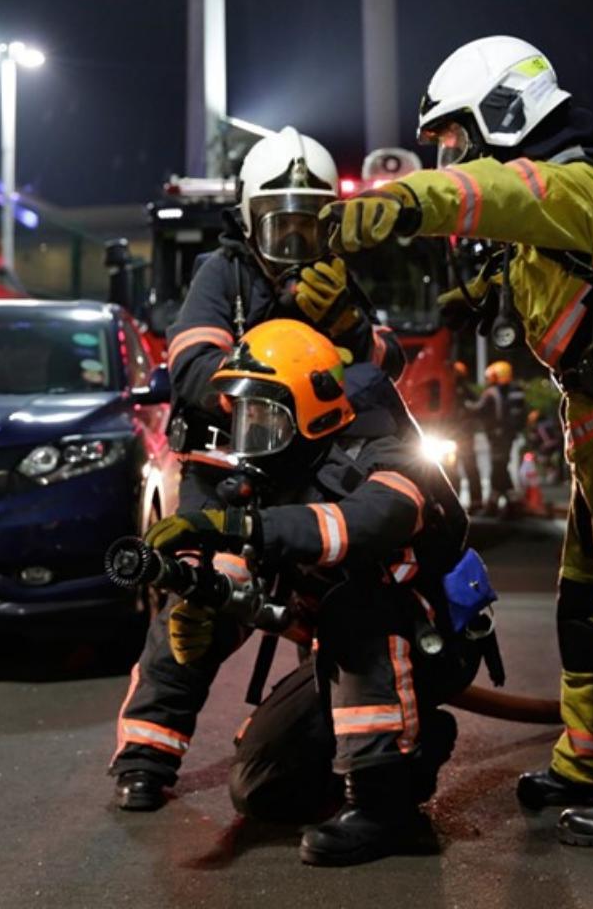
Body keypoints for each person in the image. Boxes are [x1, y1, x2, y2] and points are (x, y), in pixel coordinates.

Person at [321, 35, 593, 847]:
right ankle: (591, 758)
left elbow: (500, 192)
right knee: (587, 607)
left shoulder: (572, 183)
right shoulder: (559, 208)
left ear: (503, 112)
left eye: (455, 136)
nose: (452, 154)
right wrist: (481, 291)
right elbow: (539, 258)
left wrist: (403, 201)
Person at [111, 127, 405, 813]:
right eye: (281, 224)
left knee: (339, 600)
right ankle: (147, 756)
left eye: (310, 224)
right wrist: (273, 377)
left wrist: (349, 326)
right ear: (249, 219)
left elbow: (384, 366)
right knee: (198, 601)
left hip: (313, 472)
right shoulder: (223, 275)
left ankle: (324, 746)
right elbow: (192, 369)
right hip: (225, 469)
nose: (295, 241)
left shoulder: (336, 282)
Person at [135, 319, 470, 866]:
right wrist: (207, 602)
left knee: (354, 607)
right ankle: (414, 742)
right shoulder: (281, 471)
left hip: (428, 639)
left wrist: (246, 526)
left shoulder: (384, 450)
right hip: (345, 657)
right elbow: (253, 573)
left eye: (265, 415)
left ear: (312, 406)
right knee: (262, 788)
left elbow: (368, 522)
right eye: (244, 416)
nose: (251, 433)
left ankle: (385, 809)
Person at [464, 360, 524, 511]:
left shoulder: (492, 393)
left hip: (497, 436)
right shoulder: (516, 391)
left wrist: (464, 404)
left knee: (499, 467)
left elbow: (477, 409)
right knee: (500, 466)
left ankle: (510, 502)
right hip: (508, 435)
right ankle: (498, 501)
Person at [451, 360, 485, 510]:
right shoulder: (448, 388)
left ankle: (475, 502)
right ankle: (455, 501)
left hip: (463, 435)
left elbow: (477, 406)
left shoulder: (463, 390)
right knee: (452, 470)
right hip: (453, 434)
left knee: (467, 467)